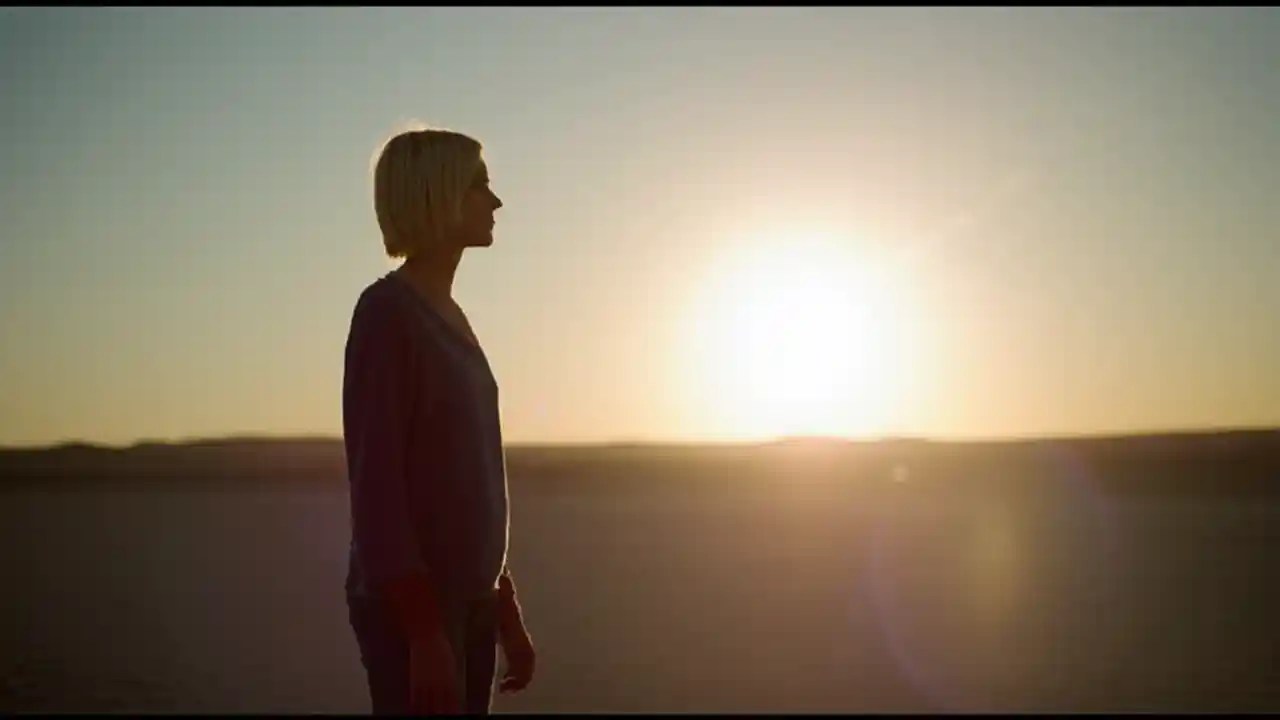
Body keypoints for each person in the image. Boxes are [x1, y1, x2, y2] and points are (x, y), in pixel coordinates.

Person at [342, 127, 536, 715]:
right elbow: (377, 492)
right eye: (480, 185)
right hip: (414, 611)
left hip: (467, 605)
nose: (495, 202)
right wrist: (424, 634)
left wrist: (503, 607)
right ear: (439, 194)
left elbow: (466, 475)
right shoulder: (387, 314)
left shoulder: (449, 315)